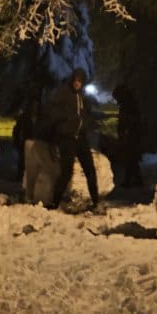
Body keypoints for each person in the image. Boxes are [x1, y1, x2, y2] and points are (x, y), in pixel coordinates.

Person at [46, 68, 99, 212]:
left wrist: (87, 122)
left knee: (90, 169)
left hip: (81, 137)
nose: (77, 84)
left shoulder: (82, 95)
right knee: (66, 171)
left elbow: (85, 113)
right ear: (72, 80)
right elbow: (53, 111)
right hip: (67, 138)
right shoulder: (63, 92)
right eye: (75, 81)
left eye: (80, 81)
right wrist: (67, 118)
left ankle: (96, 201)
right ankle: (54, 202)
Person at [113, 83, 143, 188]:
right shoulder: (128, 104)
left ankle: (130, 180)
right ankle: (136, 180)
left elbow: (129, 121)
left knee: (130, 158)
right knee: (131, 159)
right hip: (131, 135)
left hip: (131, 135)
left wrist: (124, 132)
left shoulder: (128, 105)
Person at [12, 91, 42, 183]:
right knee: (23, 163)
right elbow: (17, 131)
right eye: (33, 105)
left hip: (37, 144)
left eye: (36, 105)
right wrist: (19, 143)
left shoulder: (41, 118)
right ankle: (20, 180)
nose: (35, 107)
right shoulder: (24, 118)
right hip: (26, 144)